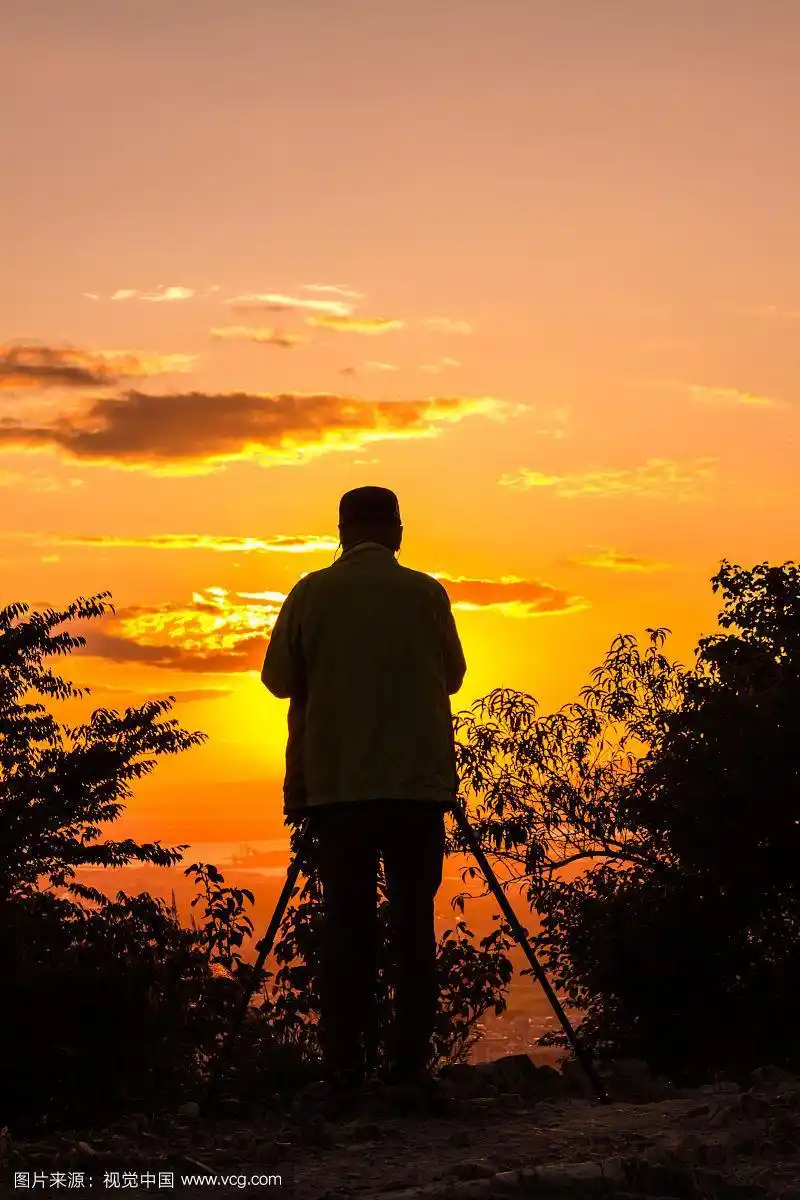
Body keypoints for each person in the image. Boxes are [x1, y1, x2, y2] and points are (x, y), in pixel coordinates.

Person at [261, 486, 467, 1097]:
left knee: (346, 927)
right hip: (415, 789)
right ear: (398, 532)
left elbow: (277, 681)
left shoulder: (310, 593)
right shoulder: (427, 594)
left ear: (342, 533)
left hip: (337, 790)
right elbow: (453, 677)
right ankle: (409, 1068)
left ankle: (345, 1068)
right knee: (413, 928)